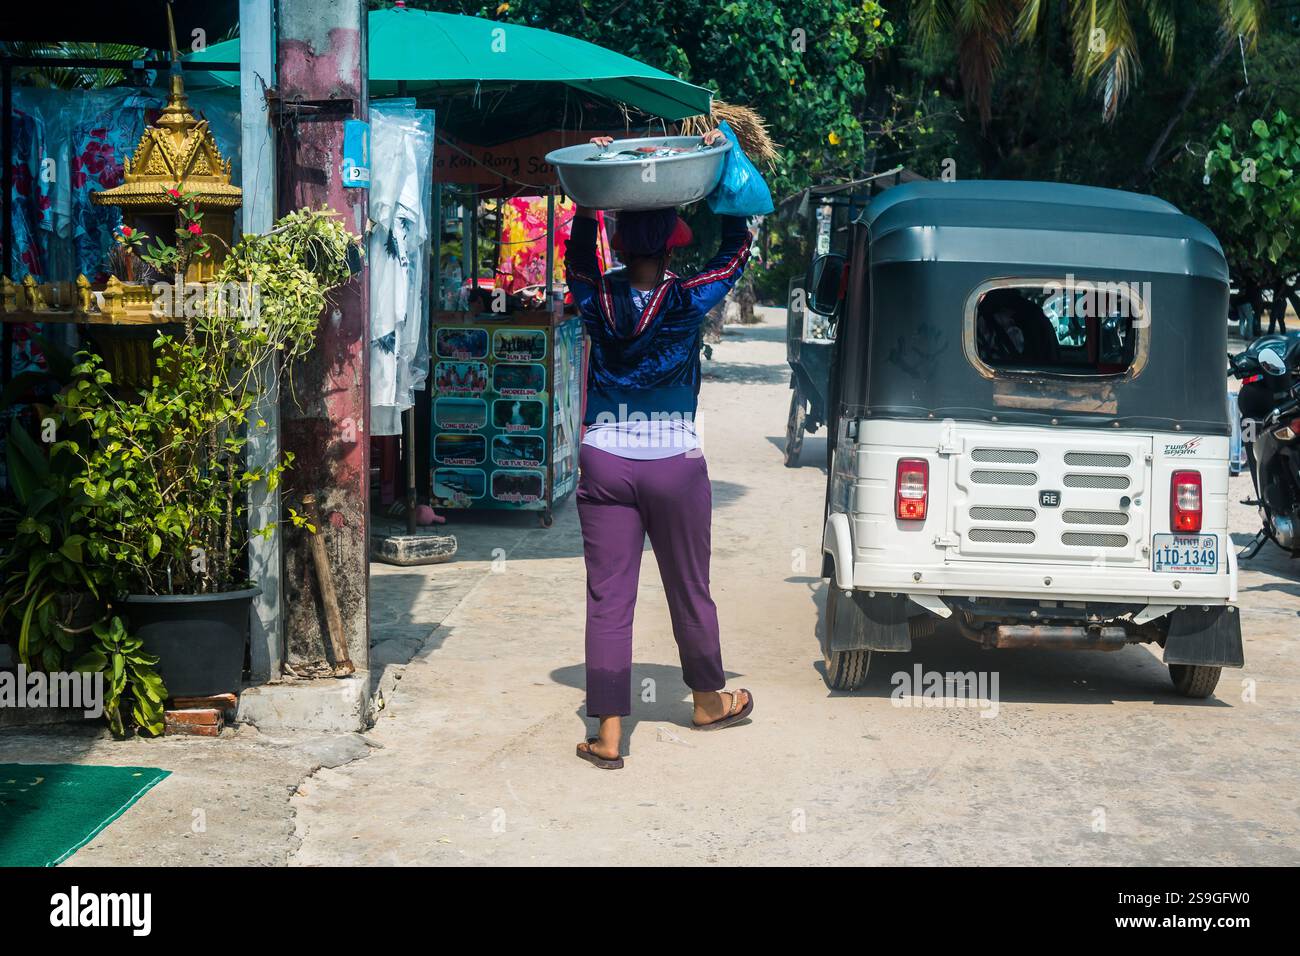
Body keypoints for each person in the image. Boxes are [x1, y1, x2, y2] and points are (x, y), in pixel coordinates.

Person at [567, 129, 755, 770]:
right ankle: (708, 701)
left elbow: (578, 258)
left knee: (609, 599)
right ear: (672, 243)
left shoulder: (596, 299)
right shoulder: (686, 298)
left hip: (605, 461)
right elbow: (739, 247)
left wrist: (594, 182)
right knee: (689, 588)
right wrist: (723, 163)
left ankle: (610, 737)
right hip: (674, 463)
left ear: (619, 242)